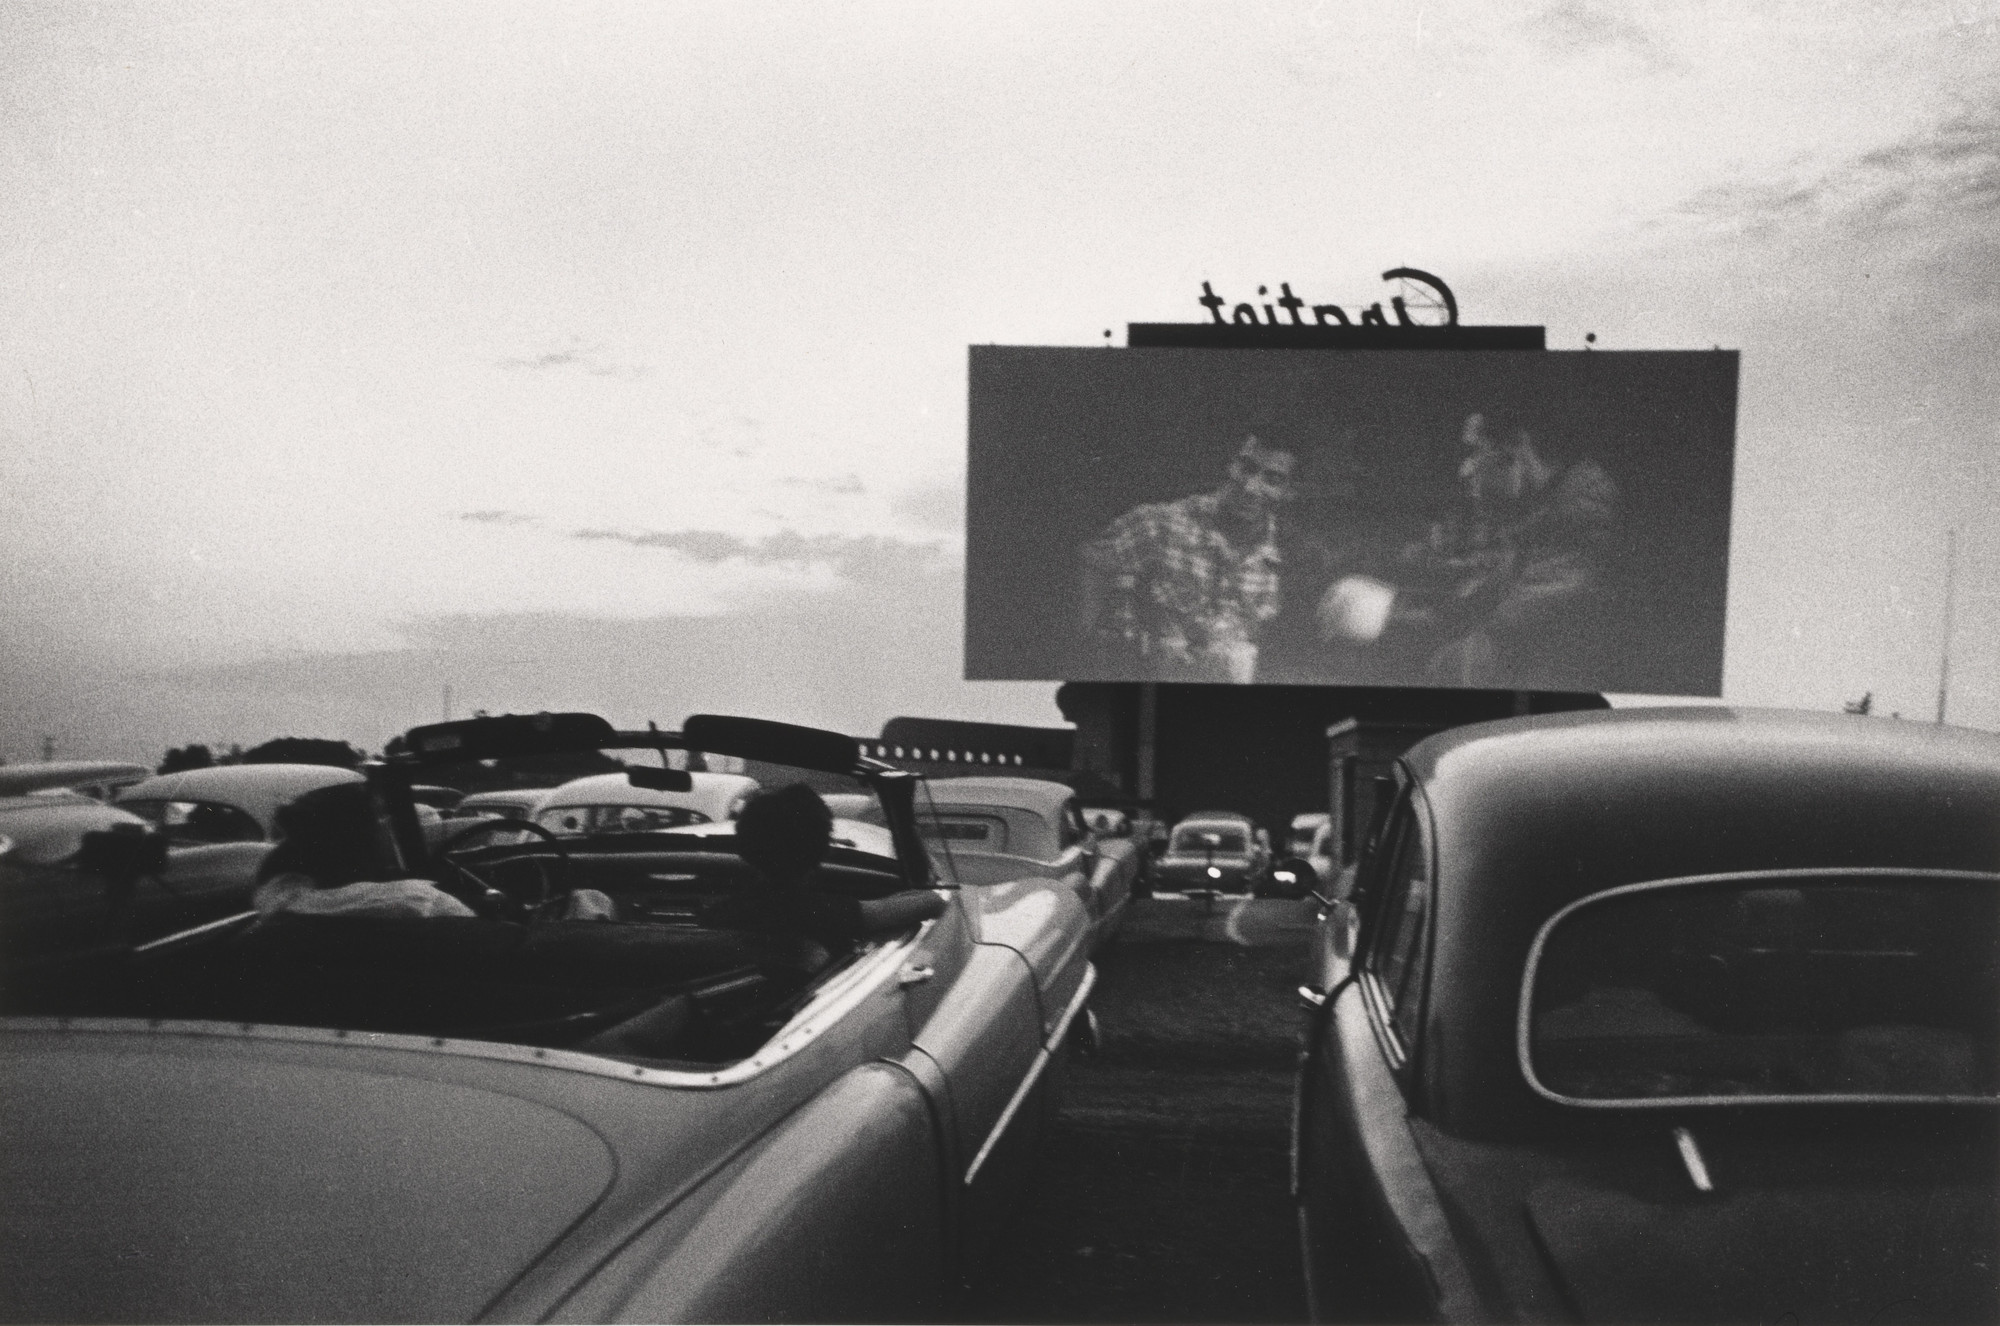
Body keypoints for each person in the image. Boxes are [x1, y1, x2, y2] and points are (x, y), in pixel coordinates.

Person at [1319, 410, 1619, 687]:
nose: (1465, 470)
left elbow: (1502, 650)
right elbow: (1481, 608)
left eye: (1475, 450)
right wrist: (1394, 607)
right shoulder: (1548, 516)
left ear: (1517, 450)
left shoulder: (1580, 524)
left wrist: (1385, 620)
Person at [1078, 433, 1296, 683]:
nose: (1250, 487)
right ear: (1231, 465)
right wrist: (1089, 643)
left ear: (1289, 492)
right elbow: (1092, 558)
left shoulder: (1290, 557)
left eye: (1273, 479)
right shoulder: (1163, 524)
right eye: (1246, 468)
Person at [251, 781, 615, 922]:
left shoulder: (277, 907)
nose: (388, 830)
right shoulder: (420, 903)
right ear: (359, 838)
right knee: (590, 901)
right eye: (382, 822)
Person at [702, 784, 944, 974]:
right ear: (823, 850)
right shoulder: (823, 911)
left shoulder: (719, 912)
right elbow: (932, 900)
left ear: (746, 847)